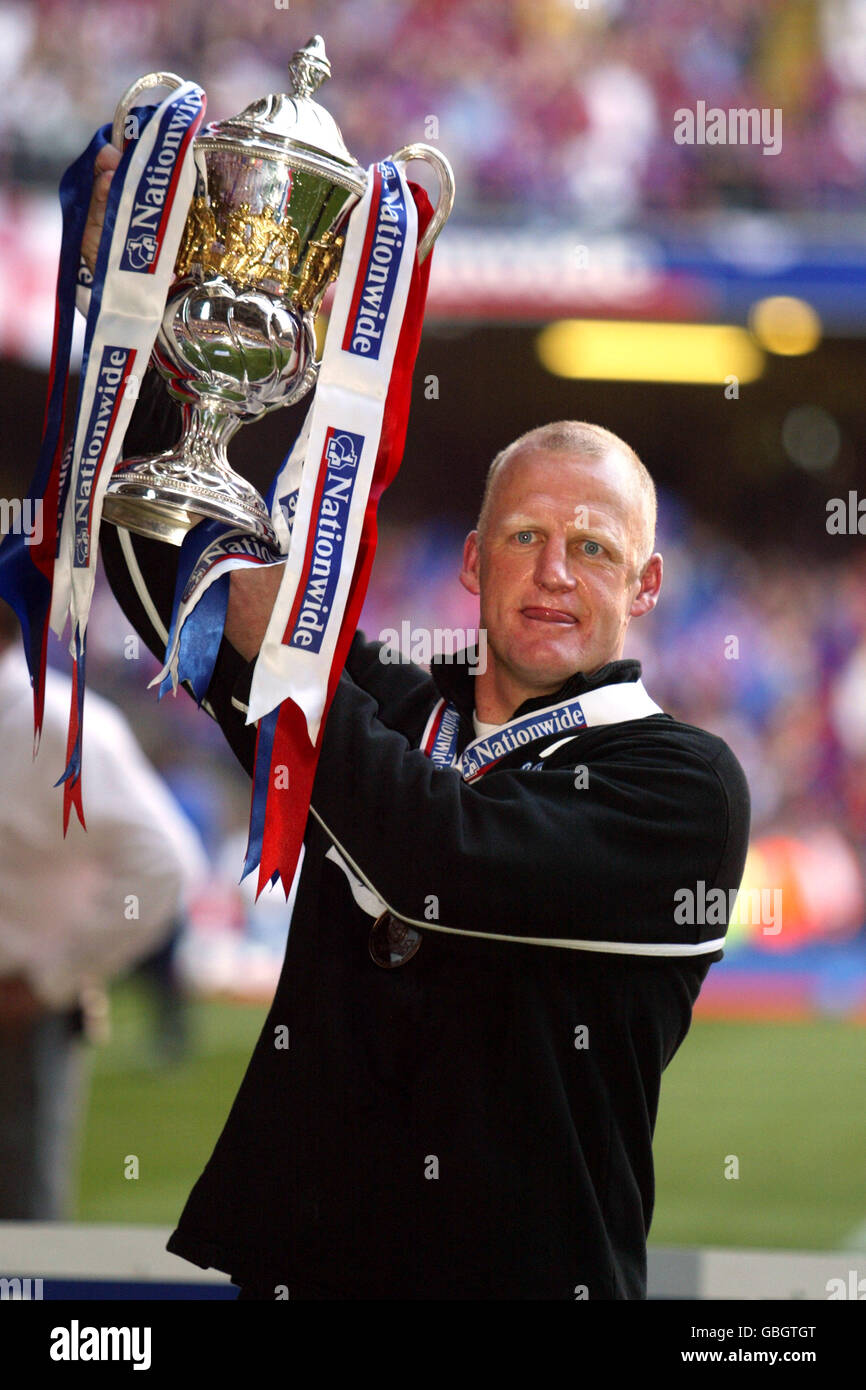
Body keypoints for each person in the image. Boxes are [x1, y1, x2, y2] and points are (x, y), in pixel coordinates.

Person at [87, 160, 749, 1299]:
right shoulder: (399, 704)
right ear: (468, 563)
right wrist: (139, 306)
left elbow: (437, 857)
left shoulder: (681, 781)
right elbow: (168, 574)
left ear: (643, 587)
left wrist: (283, 651)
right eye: (523, 536)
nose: (552, 571)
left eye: (592, 546)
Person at [0, 598, 207, 1218]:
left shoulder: (56, 723)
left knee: (19, 1242)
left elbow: (166, 865)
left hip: (15, 1023)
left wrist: (48, 980)